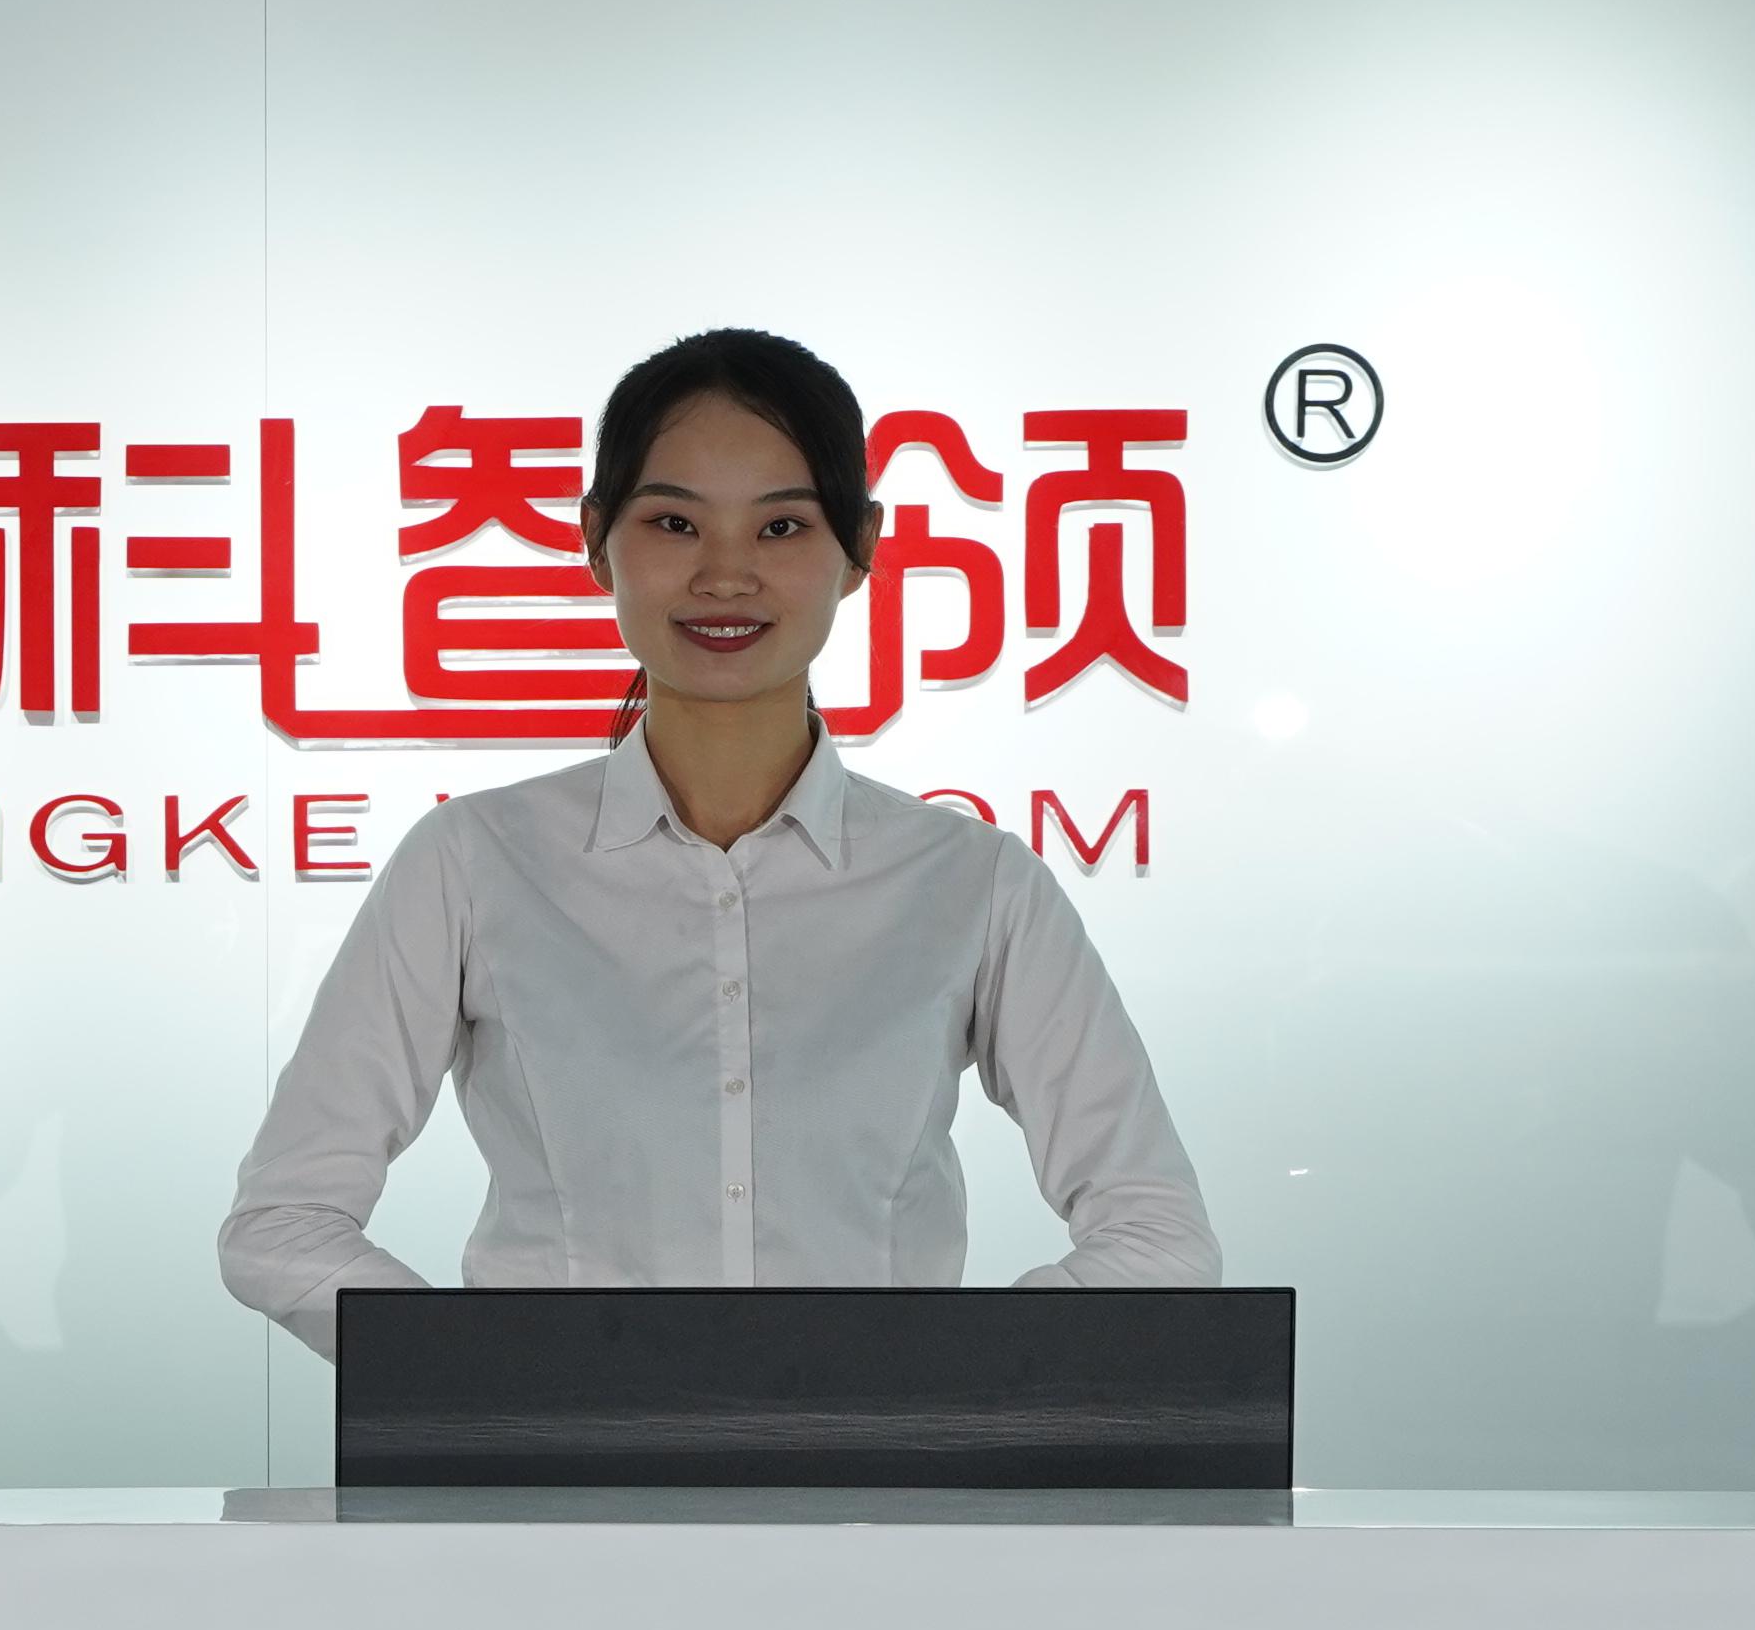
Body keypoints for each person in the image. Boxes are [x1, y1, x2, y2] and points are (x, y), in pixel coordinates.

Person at [219, 323, 1220, 1346]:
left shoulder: (973, 883)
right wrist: (495, 1386)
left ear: (861, 545)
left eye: (782, 527)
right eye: (674, 523)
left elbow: (1159, 1239)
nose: (727, 576)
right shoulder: (475, 861)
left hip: (875, 1454)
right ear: (595, 537)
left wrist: (931, 1385)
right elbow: (283, 1225)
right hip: (557, 1455)